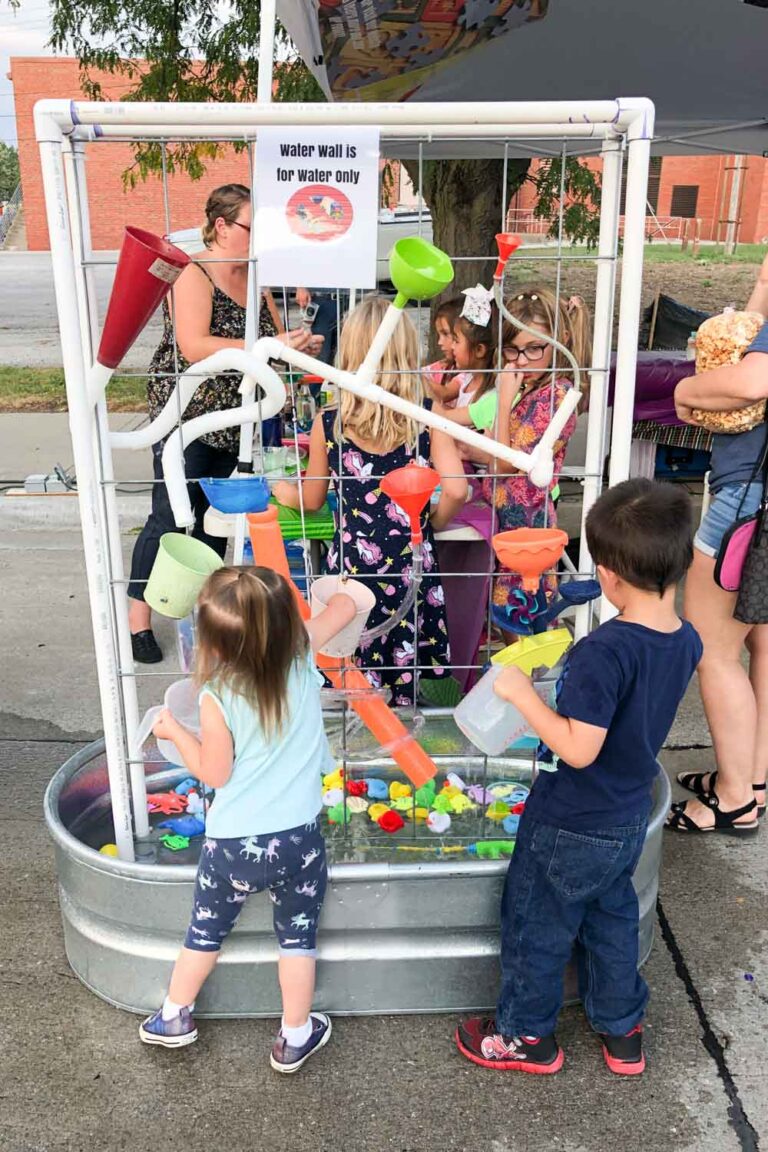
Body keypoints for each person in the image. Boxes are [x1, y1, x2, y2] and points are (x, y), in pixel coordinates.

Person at [456, 479, 702, 1076]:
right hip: (624, 814)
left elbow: (577, 748)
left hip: (570, 818)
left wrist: (521, 694)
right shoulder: (685, 639)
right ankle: (622, 1031)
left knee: (537, 926)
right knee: (612, 917)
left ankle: (523, 1038)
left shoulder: (605, 651)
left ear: (609, 574)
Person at [139, 565, 357, 1069]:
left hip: (232, 846)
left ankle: (174, 1015)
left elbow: (214, 773)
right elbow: (344, 610)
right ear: (286, 620)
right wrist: (341, 590)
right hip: (299, 838)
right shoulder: (301, 651)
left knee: (204, 933)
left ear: (211, 639)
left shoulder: (217, 695)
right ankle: (295, 1034)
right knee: (298, 939)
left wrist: (173, 733)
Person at [127, 183, 321, 664]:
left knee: (218, 523)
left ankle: (207, 619)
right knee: (170, 516)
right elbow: (194, 345)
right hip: (187, 415)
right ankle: (138, 620)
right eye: (252, 230)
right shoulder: (194, 272)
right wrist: (262, 350)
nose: (259, 242)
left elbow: (270, 342)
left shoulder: (256, 279)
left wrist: (289, 347)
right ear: (221, 227)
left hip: (239, 418)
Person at [272, 295, 468, 705]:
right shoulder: (426, 415)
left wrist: (279, 488)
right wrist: (433, 520)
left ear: (350, 353)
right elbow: (456, 488)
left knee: (351, 672)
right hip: (409, 569)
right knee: (407, 676)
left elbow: (310, 500)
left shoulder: (332, 420)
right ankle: (402, 748)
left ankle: (357, 746)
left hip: (351, 572)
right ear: (407, 352)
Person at [668, 253, 768, 834]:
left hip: (747, 503)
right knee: (761, 649)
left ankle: (732, 799)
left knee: (713, 651)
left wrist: (689, 387)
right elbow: (745, 351)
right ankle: (752, 780)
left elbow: (751, 380)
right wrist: (760, 287)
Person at [457, 288, 591, 610]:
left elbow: (505, 465)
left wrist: (503, 404)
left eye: (534, 349)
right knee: (507, 614)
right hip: (508, 521)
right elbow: (507, 453)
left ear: (562, 341)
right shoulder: (533, 388)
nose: (520, 361)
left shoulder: (555, 396)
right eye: (513, 351)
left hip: (527, 530)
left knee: (520, 615)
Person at [423, 296, 467, 406]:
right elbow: (425, 371)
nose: (439, 342)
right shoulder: (445, 366)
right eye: (439, 335)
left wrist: (412, 376)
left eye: (445, 334)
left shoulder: (469, 374)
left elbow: (445, 394)